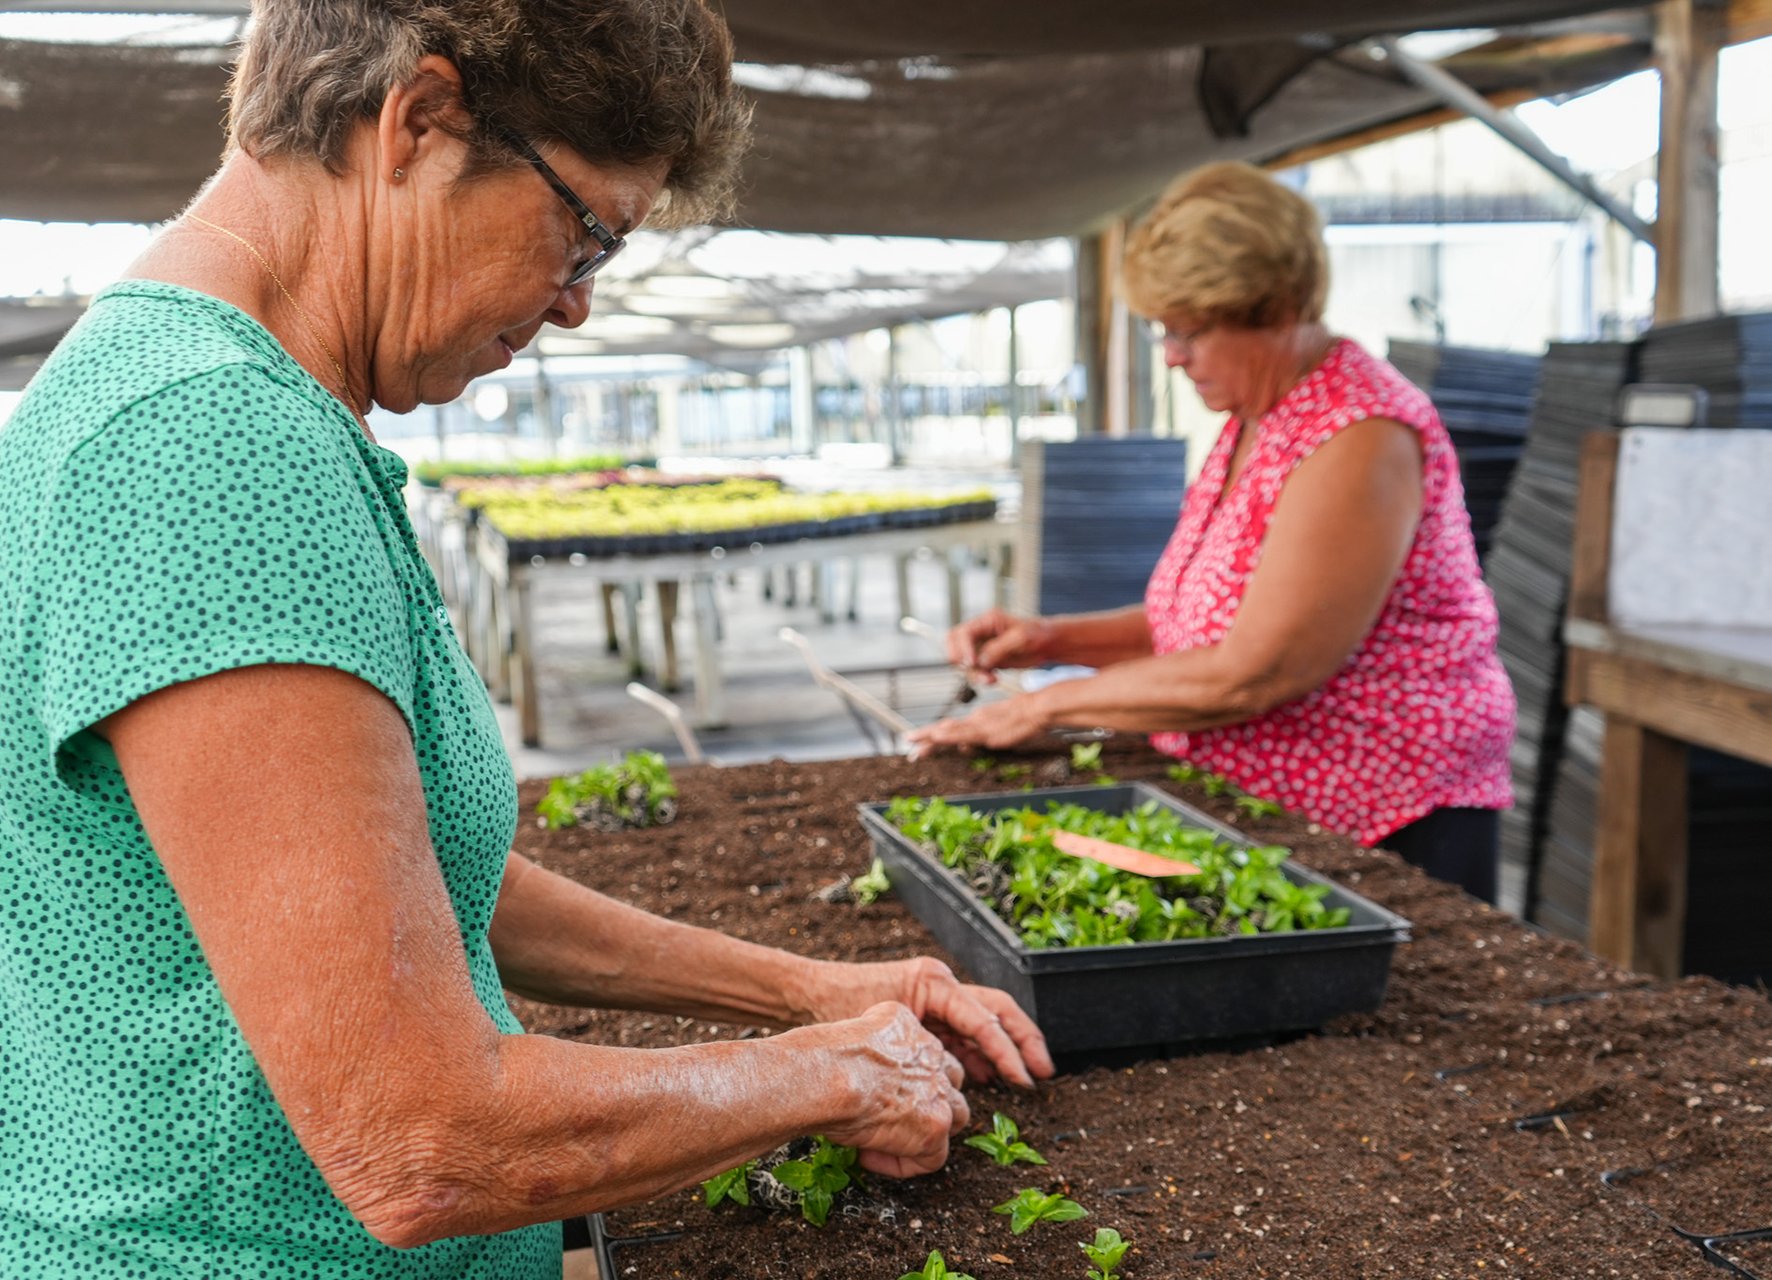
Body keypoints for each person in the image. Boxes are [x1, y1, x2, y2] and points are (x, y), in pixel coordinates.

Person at [0, 1, 1049, 1275]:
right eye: (588, 233)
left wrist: (803, 989)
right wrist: (820, 1075)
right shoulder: (213, 446)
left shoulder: (191, 394)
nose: (579, 307)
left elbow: (406, 889)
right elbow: (422, 1132)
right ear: (422, 121)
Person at [908, 162, 1516, 902]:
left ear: (1281, 307)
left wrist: (1040, 705)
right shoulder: (1257, 418)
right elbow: (1203, 623)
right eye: (1164, 329)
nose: (1171, 354)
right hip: (1273, 807)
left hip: (1385, 819)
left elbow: (1257, 670)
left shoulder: (1359, 433)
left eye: (1192, 330)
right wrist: (1051, 642)